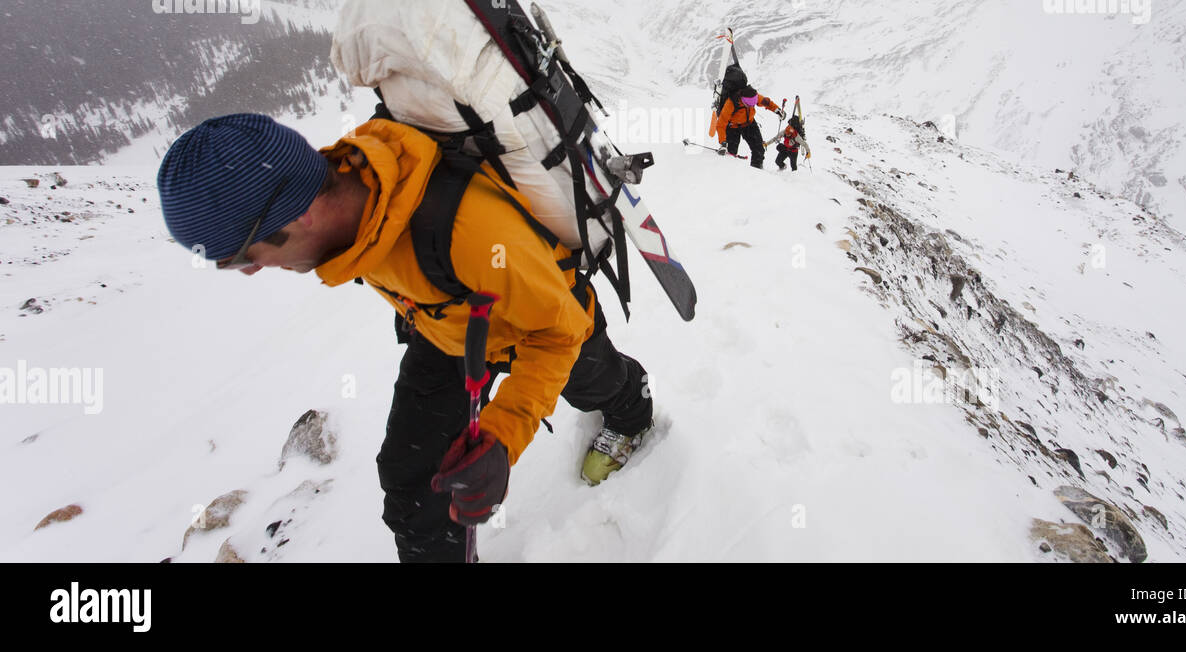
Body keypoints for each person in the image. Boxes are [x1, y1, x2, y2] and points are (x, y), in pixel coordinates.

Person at [156, 113, 653, 563]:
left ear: (297, 215)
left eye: (241, 256)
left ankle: (632, 412)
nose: (247, 273)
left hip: (544, 317)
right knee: (412, 477)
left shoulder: (469, 229)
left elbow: (557, 331)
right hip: (447, 330)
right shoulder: (353, 199)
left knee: (597, 382)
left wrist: (503, 436)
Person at [715, 85, 783, 168]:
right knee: (731, 154)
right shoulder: (731, 103)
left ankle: (756, 170)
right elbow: (721, 124)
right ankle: (730, 173)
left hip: (749, 124)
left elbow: (766, 102)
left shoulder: (753, 96)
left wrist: (777, 110)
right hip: (732, 127)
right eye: (749, 105)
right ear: (743, 100)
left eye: (753, 105)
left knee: (759, 149)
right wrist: (723, 142)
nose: (751, 107)